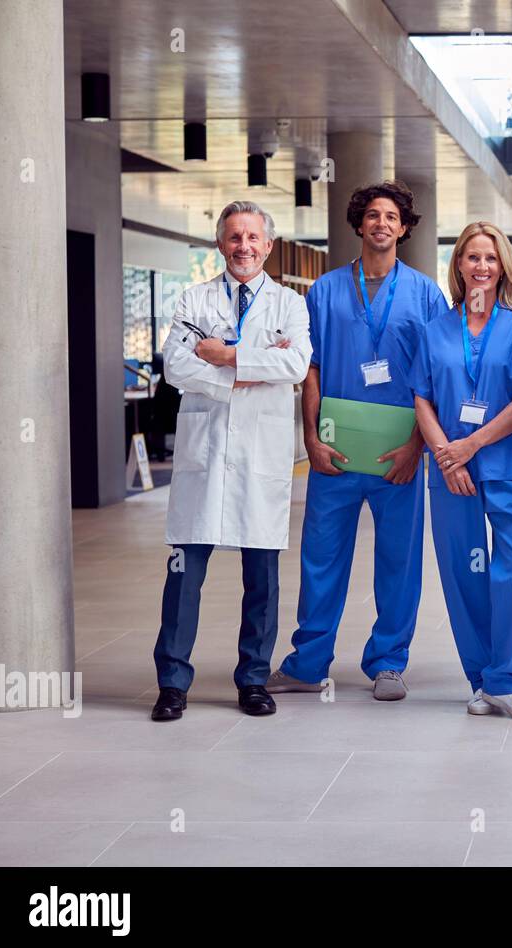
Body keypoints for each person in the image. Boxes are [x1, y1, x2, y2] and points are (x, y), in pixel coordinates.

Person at [268, 181, 448, 701]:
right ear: (358, 223)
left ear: (405, 227)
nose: (382, 224)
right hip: (336, 453)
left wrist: (418, 444)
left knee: (399, 559)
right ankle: (308, 662)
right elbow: (312, 372)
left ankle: (389, 662)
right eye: (373, 214)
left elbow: (434, 376)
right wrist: (311, 440)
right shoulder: (323, 292)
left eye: (392, 216)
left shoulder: (426, 294)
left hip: (399, 452)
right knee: (320, 558)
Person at [150, 201, 311, 721]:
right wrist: (239, 374)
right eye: (234, 237)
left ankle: (253, 680)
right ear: (221, 244)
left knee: (261, 578)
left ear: (268, 245)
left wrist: (223, 354)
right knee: (183, 577)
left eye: (253, 237)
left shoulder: (290, 305)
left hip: (259, 457)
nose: (244, 246)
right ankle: (172, 683)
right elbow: (175, 364)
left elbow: (295, 363)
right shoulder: (195, 298)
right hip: (205, 455)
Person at [412, 222, 512, 720]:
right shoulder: (435, 330)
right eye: (472, 257)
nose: (481, 266)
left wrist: (472, 444)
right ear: (459, 265)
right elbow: (421, 397)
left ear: (504, 266)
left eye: (490, 258)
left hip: (507, 464)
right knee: (465, 573)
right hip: (451, 472)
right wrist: (448, 455)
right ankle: (483, 680)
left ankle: (505, 678)